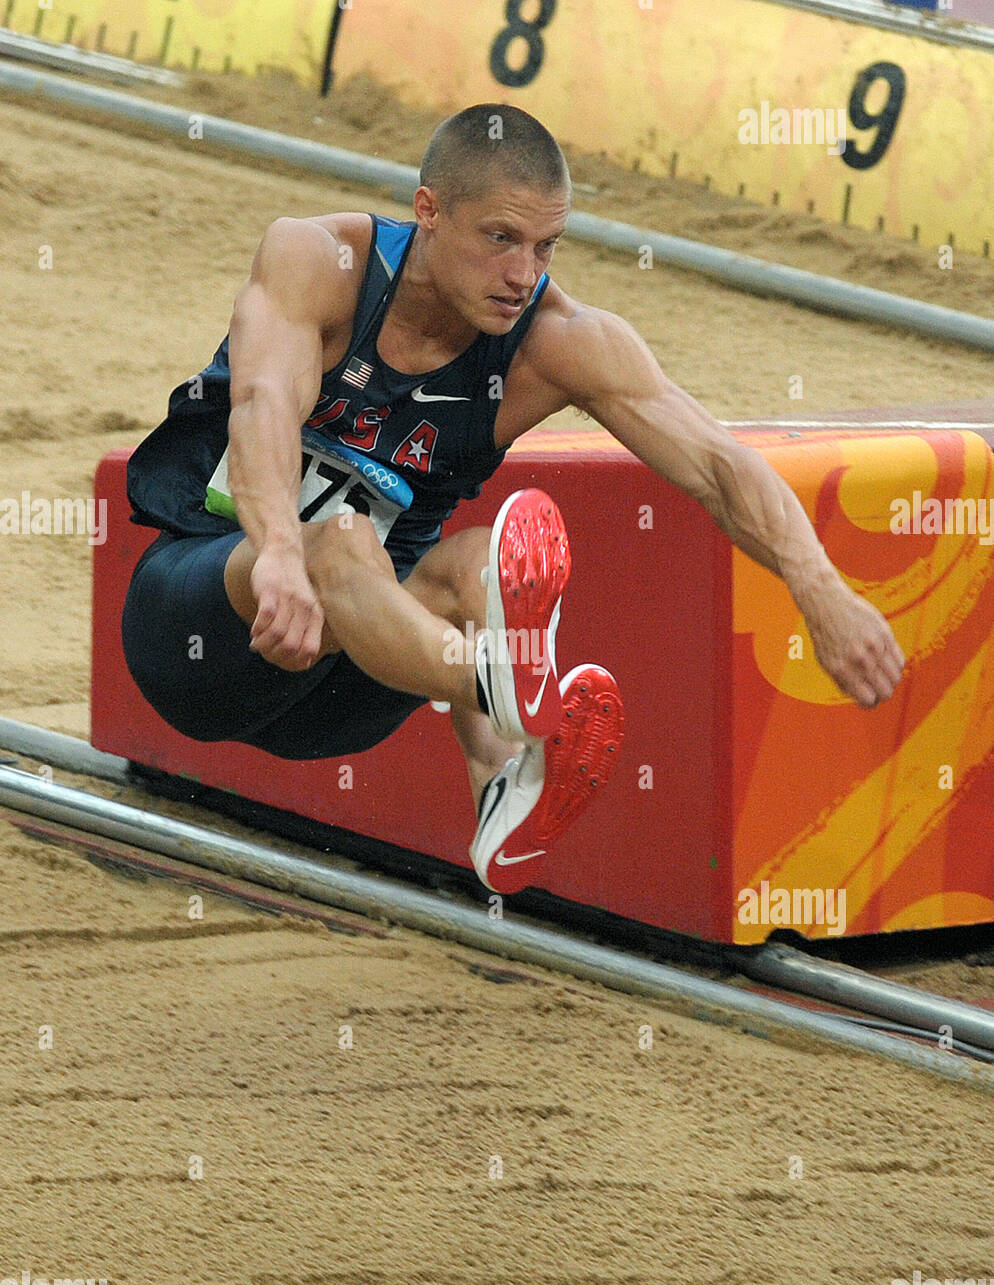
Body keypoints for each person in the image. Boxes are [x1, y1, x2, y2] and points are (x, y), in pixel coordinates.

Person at [122, 104, 905, 895]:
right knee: (341, 540)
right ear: (428, 210)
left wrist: (819, 587)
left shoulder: (557, 339)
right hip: (202, 629)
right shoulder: (319, 260)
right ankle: (512, 700)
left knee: (487, 559)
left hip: (359, 676)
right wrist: (284, 555)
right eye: (501, 239)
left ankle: (506, 785)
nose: (523, 275)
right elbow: (260, 405)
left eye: (545, 246)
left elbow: (720, 466)